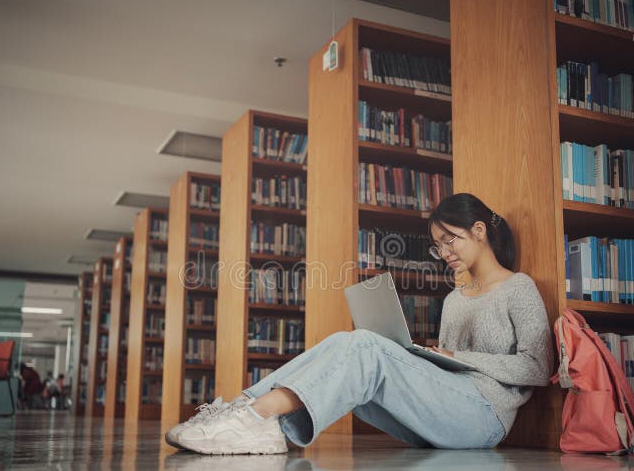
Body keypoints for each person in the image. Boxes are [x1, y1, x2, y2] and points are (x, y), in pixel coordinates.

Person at [166, 193, 553, 455]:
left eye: (449, 240)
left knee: (365, 346)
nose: (444, 252)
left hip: (484, 418)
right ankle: (243, 410)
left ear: (479, 231)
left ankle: (255, 417)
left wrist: (455, 354)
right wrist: (419, 356)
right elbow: (446, 370)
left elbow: (538, 368)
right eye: (439, 246)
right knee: (350, 342)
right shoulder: (454, 299)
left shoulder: (517, 287)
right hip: (444, 409)